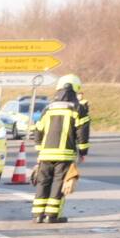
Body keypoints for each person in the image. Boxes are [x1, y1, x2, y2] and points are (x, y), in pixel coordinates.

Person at [30, 82, 83, 223]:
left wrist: (39, 150)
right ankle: (51, 216)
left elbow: (38, 130)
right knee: (58, 183)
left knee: (43, 182)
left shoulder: (48, 108)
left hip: (45, 154)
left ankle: (38, 215)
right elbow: (82, 132)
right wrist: (83, 151)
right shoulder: (77, 109)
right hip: (64, 155)